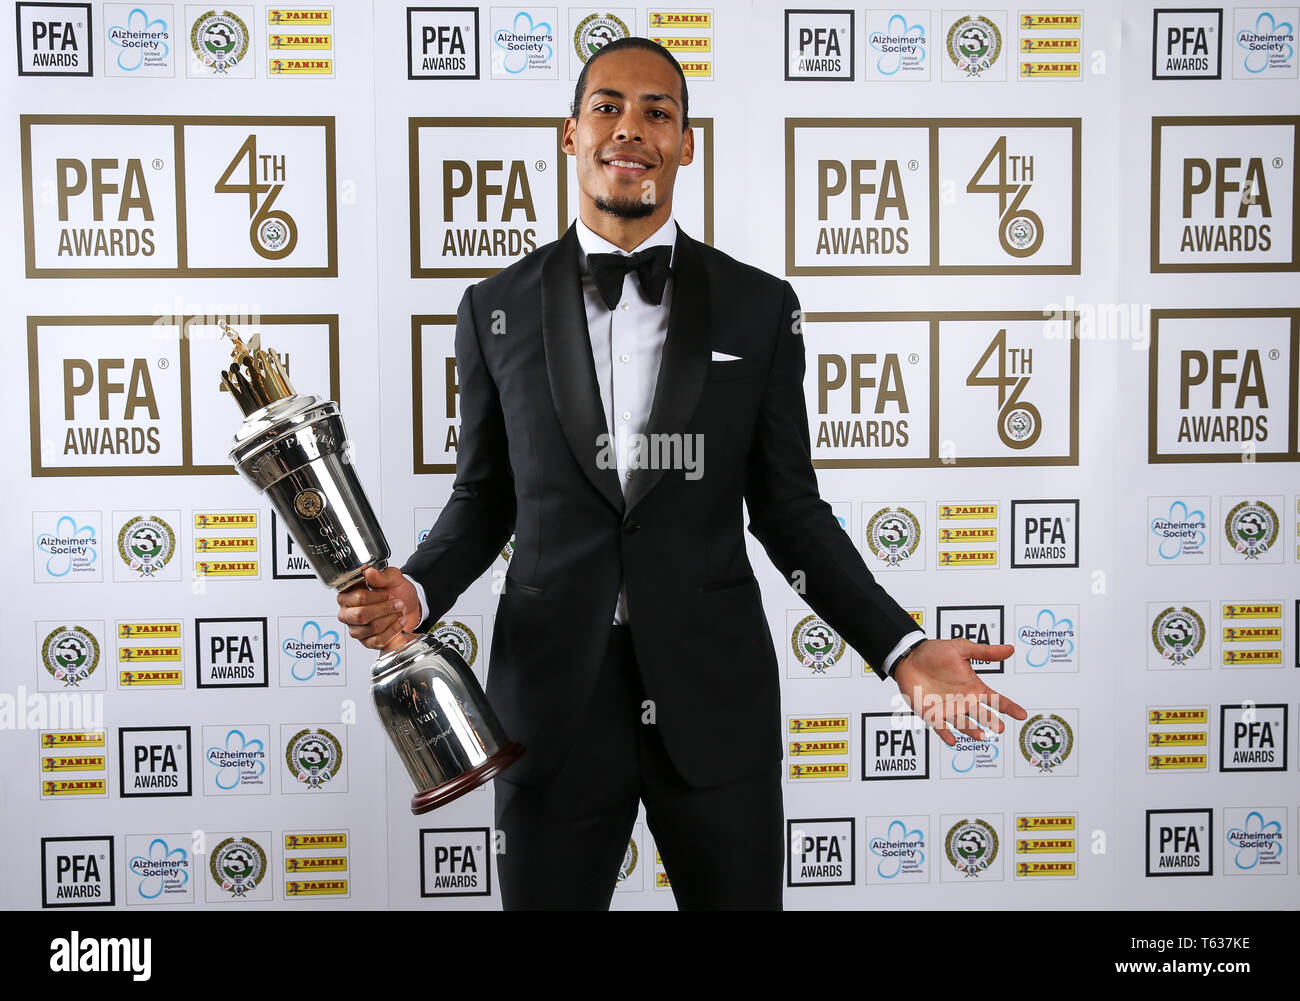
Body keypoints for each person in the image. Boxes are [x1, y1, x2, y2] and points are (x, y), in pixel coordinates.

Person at [338, 37, 1026, 910]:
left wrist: (900, 647)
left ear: (687, 143)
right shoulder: (492, 308)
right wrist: (416, 592)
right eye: (608, 107)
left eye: (658, 111)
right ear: (569, 133)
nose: (632, 129)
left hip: (715, 700)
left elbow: (790, 509)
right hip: (551, 703)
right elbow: (485, 499)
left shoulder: (759, 305)